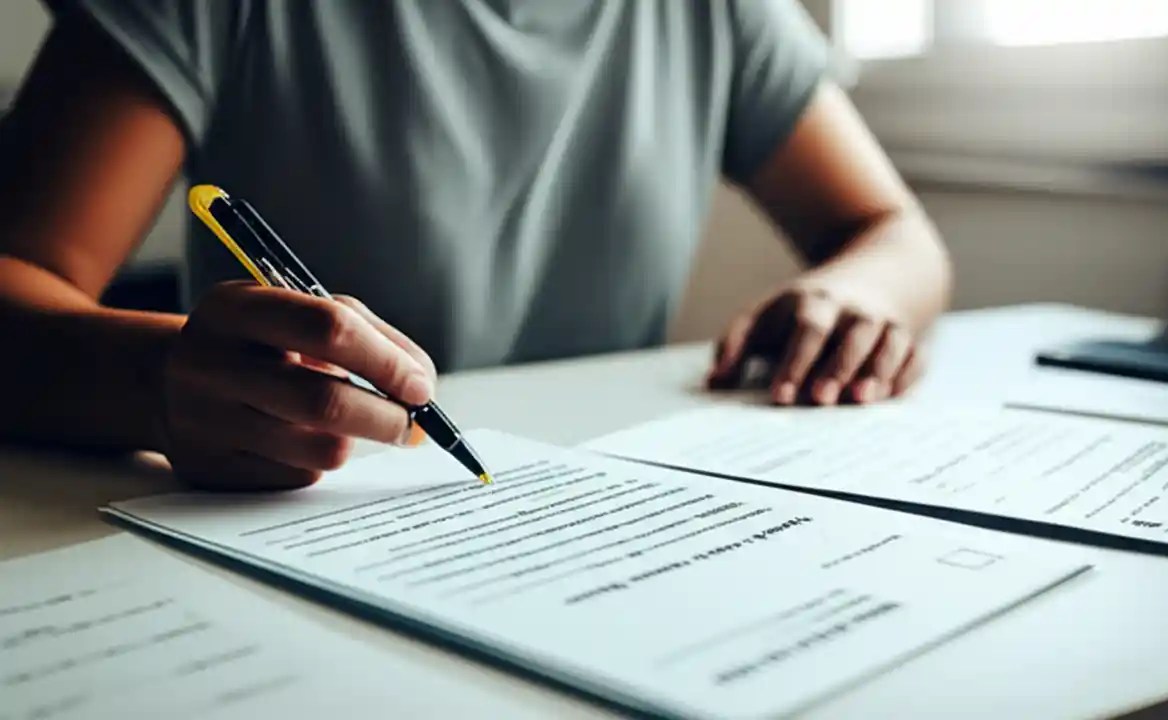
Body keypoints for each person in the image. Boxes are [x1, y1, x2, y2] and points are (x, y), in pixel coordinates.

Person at [0, 1, 950, 490]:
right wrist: (154, 386)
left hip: (601, 529)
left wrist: (860, 294)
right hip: (303, 524)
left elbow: (894, 234)